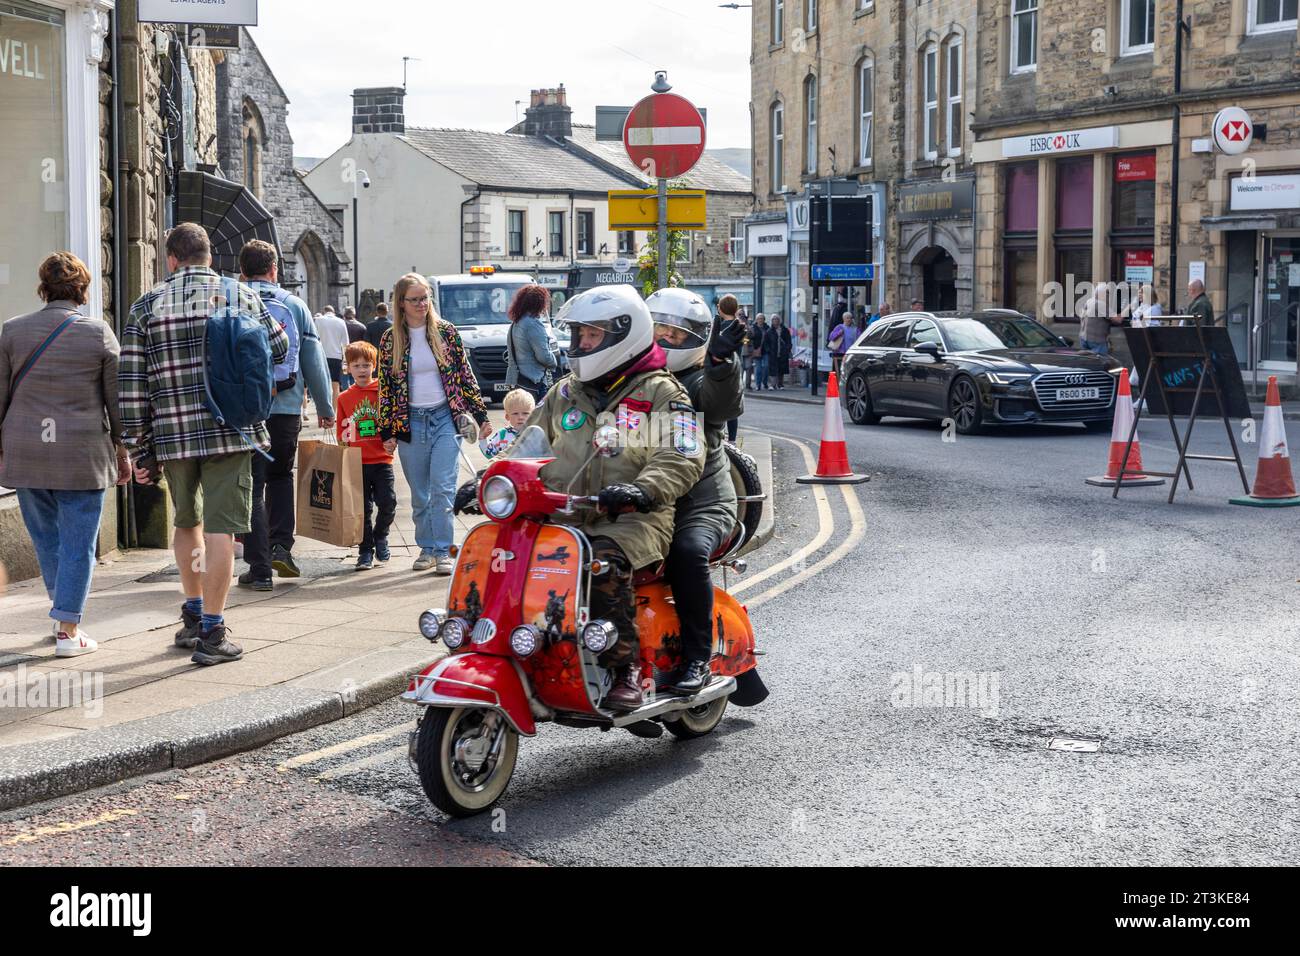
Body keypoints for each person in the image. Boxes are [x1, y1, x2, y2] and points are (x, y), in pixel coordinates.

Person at [474, 284, 704, 710]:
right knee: (501, 554)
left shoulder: (660, 393)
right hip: (564, 513)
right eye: (578, 334)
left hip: (632, 518)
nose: (580, 344)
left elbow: (681, 454)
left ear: (624, 333)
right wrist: (492, 479)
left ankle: (625, 667)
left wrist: (642, 489)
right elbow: (527, 443)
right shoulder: (565, 392)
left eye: (591, 335)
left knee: (600, 563)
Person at [120, 223, 289, 665]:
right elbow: (279, 343)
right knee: (222, 530)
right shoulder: (241, 295)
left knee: (186, 524)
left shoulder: (146, 306)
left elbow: (132, 385)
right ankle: (214, 633)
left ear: (171, 259)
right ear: (209, 257)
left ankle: (194, 615)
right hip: (231, 429)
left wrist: (138, 447)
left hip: (173, 436)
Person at [0, 252, 131, 657]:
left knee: (46, 541)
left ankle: (63, 614)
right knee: (78, 544)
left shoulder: (12, 331)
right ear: (83, 289)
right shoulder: (98, 334)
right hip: (82, 454)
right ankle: (68, 629)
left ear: (43, 287)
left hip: (27, 452)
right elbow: (117, 404)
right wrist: (123, 452)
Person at [647, 288, 744, 694]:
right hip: (647, 498)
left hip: (701, 501)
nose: (667, 339)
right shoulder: (628, 373)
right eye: (659, 330)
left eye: (677, 333)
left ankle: (696, 659)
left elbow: (720, 402)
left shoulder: (699, 379)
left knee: (686, 552)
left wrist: (722, 363)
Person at [236, 240, 335, 590]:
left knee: (251, 485)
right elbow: (314, 360)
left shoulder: (234, 301)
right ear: (275, 268)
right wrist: (325, 408)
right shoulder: (294, 305)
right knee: (280, 477)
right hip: (286, 408)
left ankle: (258, 567)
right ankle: (281, 546)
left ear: (242, 271)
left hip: (244, 410)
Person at [377, 273, 491, 573]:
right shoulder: (391, 340)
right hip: (410, 422)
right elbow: (386, 388)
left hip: (445, 418)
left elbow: (465, 376)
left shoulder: (446, 332)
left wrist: (480, 416)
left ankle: (443, 550)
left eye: (425, 298)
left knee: (442, 488)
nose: (422, 304)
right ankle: (425, 548)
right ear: (401, 303)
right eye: (414, 300)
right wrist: (386, 430)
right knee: (420, 494)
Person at [337, 340, 396, 571]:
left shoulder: (383, 392)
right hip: (356, 462)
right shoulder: (343, 398)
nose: (362, 370)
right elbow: (341, 430)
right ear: (348, 368)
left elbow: (393, 421)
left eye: (366, 365)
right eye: (356, 365)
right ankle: (365, 551)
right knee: (362, 510)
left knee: (388, 502)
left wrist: (393, 438)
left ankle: (380, 535)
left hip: (381, 459)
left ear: (374, 366)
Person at [504, 284, 559, 403]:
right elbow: (543, 356)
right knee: (539, 420)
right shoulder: (533, 324)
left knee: (520, 419)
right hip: (534, 383)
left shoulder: (515, 324)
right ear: (539, 304)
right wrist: (555, 362)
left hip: (518, 381)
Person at [480, 388, 534, 459]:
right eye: (515, 413)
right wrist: (482, 438)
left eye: (525, 413)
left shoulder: (536, 432)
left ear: (533, 415)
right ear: (507, 416)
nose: (520, 417)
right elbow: (490, 454)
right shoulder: (502, 435)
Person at [316, 304, 349, 403]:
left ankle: (323, 410)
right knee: (335, 386)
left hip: (321, 356)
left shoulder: (318, 320)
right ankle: (334, 413)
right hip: (336, 357)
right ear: (334, 312)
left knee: (322, 385)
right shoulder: (341, 322)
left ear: (324, 311)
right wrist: (345, 362)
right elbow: (346, 344)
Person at [1079, 282, 1123, 355]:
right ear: (1102, 294)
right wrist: (1129, 307)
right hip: (1096, 341)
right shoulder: (1100, 304)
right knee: (1102, 362)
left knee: (1088, 362)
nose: (1109, 296)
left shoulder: (1089, 301)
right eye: (1107, 293)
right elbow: (1118, 320)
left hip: (1083, 338)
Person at [828, 310, 854, 377]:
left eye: (850, 318)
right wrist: (838, 333)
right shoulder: (839, 327)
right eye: (847, 318)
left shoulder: (855, 329)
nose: (849, 319)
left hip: (850, 354)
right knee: (839, 371)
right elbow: (831, 337)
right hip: (840, 354)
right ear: (844, 319)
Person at [771, 314, 792, 389]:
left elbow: (788, 340)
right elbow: (766, 342)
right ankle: (773, 384)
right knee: (773, 368)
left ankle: (780, 384)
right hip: (773, 352)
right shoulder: (770, 330)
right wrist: (769, 350)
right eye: (774, 319)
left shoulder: (785, 330)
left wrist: (788, 348)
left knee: (781, 368)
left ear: (779, 321)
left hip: (782, 352)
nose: (775, 321)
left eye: (777, 319)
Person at [742, 313, 760, 389]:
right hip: (739, 351)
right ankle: (739, 386)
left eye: (744, 320)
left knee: (749, 368)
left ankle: (748, 385)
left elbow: (752, 336)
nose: (743, 321)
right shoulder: (735, 328)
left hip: (748, 351)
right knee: (740, 369)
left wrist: (747, 330)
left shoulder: (750, 328)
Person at [752, 314, 770, 390]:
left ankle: (765, 382)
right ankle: (758, 385)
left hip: (765, 350)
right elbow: (747, 339)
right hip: (756, 350)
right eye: (759, 318)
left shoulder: (767, 328)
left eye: (762, 318)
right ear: (756, 320)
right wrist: (750, 348)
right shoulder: (753, 328)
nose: (760, 320)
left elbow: (770, 339)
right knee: (758, 369)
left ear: (764, 320)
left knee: (766, 367)